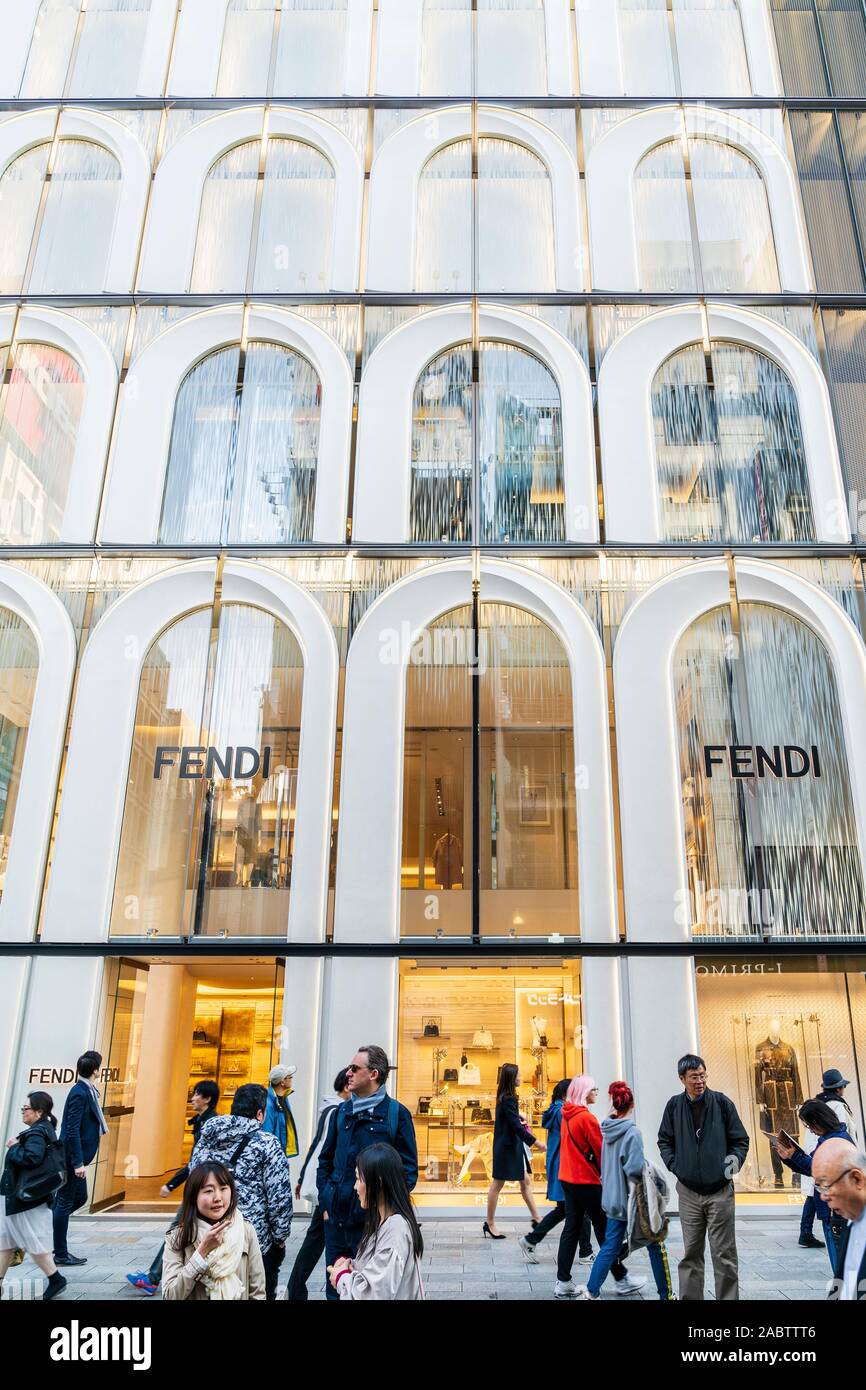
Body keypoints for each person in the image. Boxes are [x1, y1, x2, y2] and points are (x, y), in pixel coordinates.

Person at [317, 1045, 417, 1302]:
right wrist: (327, 1200)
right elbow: (325, 1160)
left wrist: (382, 1209)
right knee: (336, 1287)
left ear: (373, 1074)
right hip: (337, 1223)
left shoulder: (397, 1115)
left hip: (372, 1225)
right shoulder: (341, 1112)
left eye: (354, 1068)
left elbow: (408, 1172)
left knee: (367, 1290)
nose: (347, 1073)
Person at [657, 1052, 749, 1302]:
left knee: (724, 1253)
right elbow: (664, 1140)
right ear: (682, 1079)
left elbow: (740, 1140)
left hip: (720, 1190)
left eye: (702, 1075)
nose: (700, 1080)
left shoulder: (721, 1103)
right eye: (694, 1077)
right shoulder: (674, 1106)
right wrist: (676, 1166)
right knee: (691, 1253)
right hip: (688, 1192)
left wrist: (731, 1166)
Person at [190, 1082, 292, 1301]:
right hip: (251, 1240)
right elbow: (279, 1197)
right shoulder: (267, 1144)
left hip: (206, 1235)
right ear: (259, 1114)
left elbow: (193, 1178)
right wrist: (280, 1237)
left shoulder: (207, 1136)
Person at [580, 1082, 673, 1301]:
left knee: (609, 1247)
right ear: (632, 1104)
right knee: (655, 1244)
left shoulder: (607, 1129)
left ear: (613, 1103)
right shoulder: (632, 1132)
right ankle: (666, 1295)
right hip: (633, 1202)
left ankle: (591, 1291)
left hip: (611, 1198)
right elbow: (633, 1169)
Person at [554, 1074, 644, 1299]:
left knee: (571, 1228)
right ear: (584, 1092)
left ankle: (563, 1281)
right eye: (593, 1089)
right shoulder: (586, 1118)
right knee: (606, 1231)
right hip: (586, 1181)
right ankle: (621, 1278)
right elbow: (601, 1152)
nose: (596, 1092)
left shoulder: (566, 1114)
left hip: (567, 1178)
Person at [126, 1079, 220, 1295]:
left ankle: (154, 1278)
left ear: (207, 1099)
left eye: (197, 1094)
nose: (193, 1098)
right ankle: (157, 1276)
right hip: (203, 1188)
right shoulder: (202, 1121)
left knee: (178, 1231)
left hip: (202, 1190)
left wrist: (171, 1183)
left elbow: (196, 1161)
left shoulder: (210, 1124)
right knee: (181, 1232)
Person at [328, 1143, 424, 1300]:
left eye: (359, 1179)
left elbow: (374, 1293)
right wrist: (349, 1266)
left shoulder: (395, 1229)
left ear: (378, 1183)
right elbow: (378, 1274)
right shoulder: (385, 1223)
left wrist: (341, 1278)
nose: (355, 1187)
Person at [287, 1067, 350, 1301]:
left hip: (327, 1186)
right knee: (320, 1241)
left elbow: (315, 1145)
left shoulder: (329, 1109)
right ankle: (296, 1288)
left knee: (315, 1240)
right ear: (346, 1086)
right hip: (331, 1188)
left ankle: (295, 1288)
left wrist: (303, 1177)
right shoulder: (338, 1111)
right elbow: (326, 1151)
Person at [161, 1162, 265, 1301]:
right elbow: (170, 1296)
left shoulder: (246, 1230)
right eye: (208, 1191)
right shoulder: (177, 1237)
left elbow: (257, 1292)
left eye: (223, 1188)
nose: (217, 1198)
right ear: (194, 1196)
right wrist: (201, 1252)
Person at [0, 1092, 67, 1301]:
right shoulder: (43, 1129)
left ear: (39, 1111)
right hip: (21, 1197)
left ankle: (56, 1278)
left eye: (26, 1108)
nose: (23, 1111)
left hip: (23, 1199)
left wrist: (14, 1148)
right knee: (5, 1240)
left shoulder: (36, 1133)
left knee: (32, 1242)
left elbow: (32, 1157)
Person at [775, 1098, 853, 1273]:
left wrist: (794, 1156)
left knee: (841, 1266)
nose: (810, 1129)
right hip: (831, 1211)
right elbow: (813, 1169)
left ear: (819, 1120)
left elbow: (819, 1168)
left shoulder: (837, 1140)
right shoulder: (828, 1138)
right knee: (839, 1265)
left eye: (810, 1125)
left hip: (837, 1212)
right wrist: (788, 1157)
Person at [519, 1079, 592, 1264]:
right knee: (579, 1209)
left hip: (559, 1165)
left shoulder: (557, 1110)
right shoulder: (564, 1112)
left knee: (564, 1210)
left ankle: (531, 1240)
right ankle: (585, 1253)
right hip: (567, 1166)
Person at [53, 1051, 108, 1267]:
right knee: (65, 1201)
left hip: (78, 1158)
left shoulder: (88, 1090)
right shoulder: (80, 1093)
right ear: (95, 1070)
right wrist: (77, 1163)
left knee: (80, 1198)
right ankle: (60, 1252)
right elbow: (72, 1130)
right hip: (72, 1159)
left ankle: (57, 1222)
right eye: (99, 1066)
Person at [800, 1069, 861, 1249]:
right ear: (839, 1088)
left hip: (818, 1154)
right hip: (833, 1161)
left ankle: (806, 1231)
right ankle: (807, 1232)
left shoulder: (817, 1104)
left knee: (814, 1196)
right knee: (826, 1202)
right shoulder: (837, 1106)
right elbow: (840, 1133)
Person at [483, 1064, 543, 1239]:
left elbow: (511, 1119)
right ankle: (490, 1222)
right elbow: (515, 1127)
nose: (521, 1077)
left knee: (524, 1181)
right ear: (511, 1078)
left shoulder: (506, 1097)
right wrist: (536, 1142)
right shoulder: (508, 1098)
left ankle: (537, 1218)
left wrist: (519, 1114)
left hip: (511, 1146)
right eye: (519, 1074)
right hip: (507, 1148)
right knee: (498, 1184)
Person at [812, 1138, 866, 1301]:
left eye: (827, 1185)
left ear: (857, 1179)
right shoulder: (851, 1222)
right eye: (819, 1186)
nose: (823, 1196)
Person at [262, 1064, 299, 1160]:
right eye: (289, 1077)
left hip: (280, 1154)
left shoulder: (283, 1098)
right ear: (282, 1081)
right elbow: (267, 1133)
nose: (292, 1079)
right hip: (273, 1157)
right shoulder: (269, 1104)